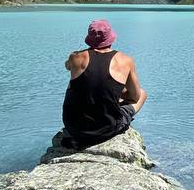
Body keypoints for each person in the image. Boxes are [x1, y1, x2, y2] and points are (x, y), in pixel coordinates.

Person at [61, 19, 148, 149]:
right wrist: (118, 92)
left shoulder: (76, 57)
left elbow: (67, 66)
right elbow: (135, 96)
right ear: (111, 38)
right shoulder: (125, 60)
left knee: (74, 86)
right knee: (142, 94)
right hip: (107, 129)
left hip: (74, 128)